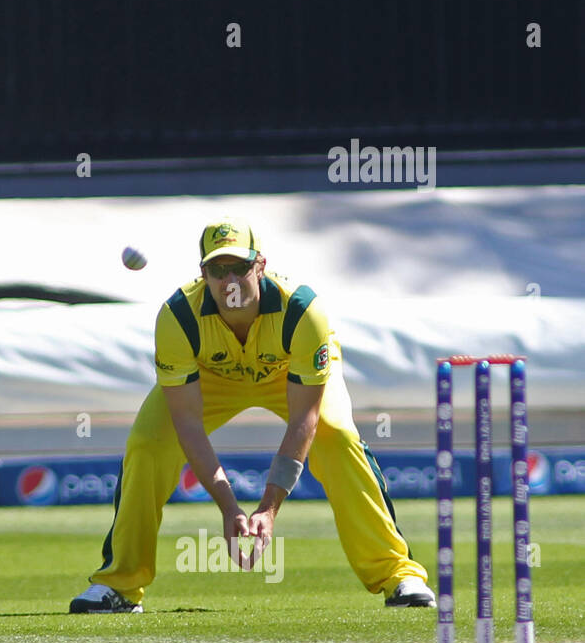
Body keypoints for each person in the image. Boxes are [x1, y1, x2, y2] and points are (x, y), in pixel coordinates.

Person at [70, 218, 435, 613]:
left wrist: (268, 508)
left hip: (286, 372)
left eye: (239, 268)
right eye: (217, 270)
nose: (229, 282)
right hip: (211, 377)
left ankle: (399, 575)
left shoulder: (303, 311)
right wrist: (229, 506)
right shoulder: (177, 318)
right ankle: (120, 584)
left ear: (260, 266)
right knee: (148, 444)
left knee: (336, 436)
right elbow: (187, 425)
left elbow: (304, 421)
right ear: (203, 274)